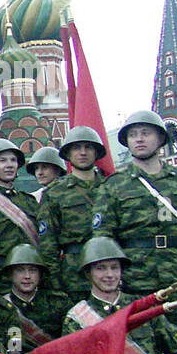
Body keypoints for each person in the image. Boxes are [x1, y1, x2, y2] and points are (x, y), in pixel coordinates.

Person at [91, 110, 177, 346]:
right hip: (136, 283)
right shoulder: (114, 185)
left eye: (146, 133)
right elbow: (103, 238)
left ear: (160, 139)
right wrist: (110, 279)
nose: (139, 139)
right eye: (133, 135)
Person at [37, 127, 110, 296]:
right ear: (68, 155)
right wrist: (55, 283)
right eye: (76, 148)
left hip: (110, 271)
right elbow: (48, 244)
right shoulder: (54, 192)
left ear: (97, 153)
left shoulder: (112, 187)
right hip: (74, 275)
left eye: (88, 147)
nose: (83, 153)